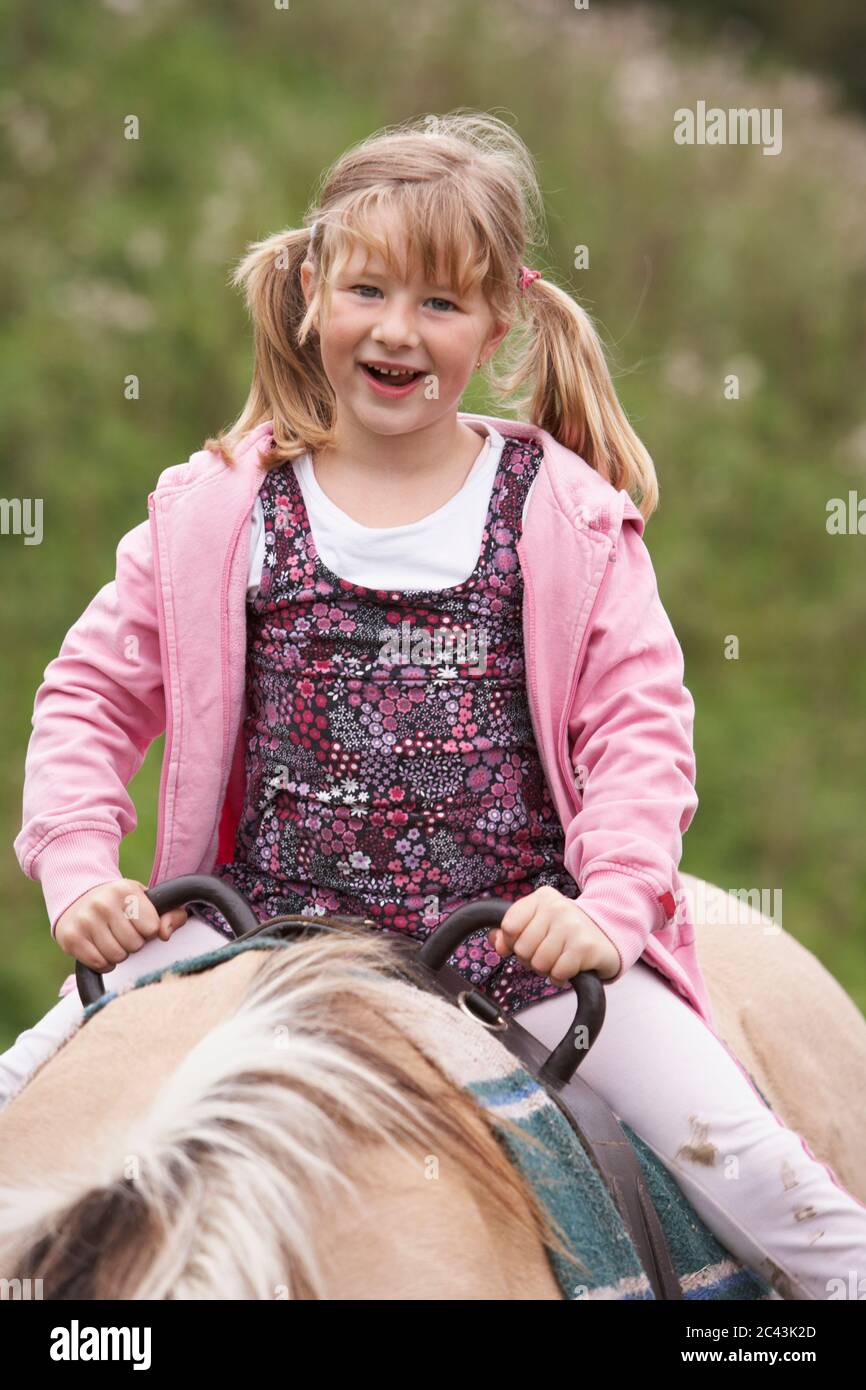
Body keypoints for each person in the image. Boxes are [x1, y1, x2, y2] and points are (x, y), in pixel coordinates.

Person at [6, 111, 865, 1298]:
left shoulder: (560, 515)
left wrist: (607, 909)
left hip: (516, 948)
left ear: (497, 323)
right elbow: (90, 696)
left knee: (780, 1193)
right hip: (253, 923)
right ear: (311, 290)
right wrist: (77, 871)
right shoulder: (220, 509)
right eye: (366, 289)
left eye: (440, 303)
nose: (396, 331)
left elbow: (639, 736)